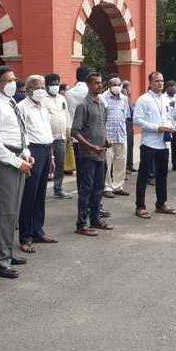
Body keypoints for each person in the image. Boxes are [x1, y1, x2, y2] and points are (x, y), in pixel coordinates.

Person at [0, 66, 33, 278]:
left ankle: (7, 252)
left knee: (14, 209)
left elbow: (20, 131)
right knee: (6, 210)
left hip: (17, 158)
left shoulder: (10, 102)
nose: (12, 83)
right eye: (7, 80)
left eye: (14, 79)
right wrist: (14, 161)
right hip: (5, 162)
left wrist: (26, 152)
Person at [17, 75, 58, 252]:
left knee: (41, 194)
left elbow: (47, 132)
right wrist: (25, 155)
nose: (41, 89)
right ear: (28, 90)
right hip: (31, 152)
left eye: (43, 86)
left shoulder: (43, 106)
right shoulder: (21, 108)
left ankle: (38, 230)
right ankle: (26, 236)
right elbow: (20, 134)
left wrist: (52, 157)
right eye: (36, 86)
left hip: (45, 149)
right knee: (29, 195)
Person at [133, 71, 176, 219]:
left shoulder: (166, 100)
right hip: (149, 143)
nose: (160, 84)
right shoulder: (143, 99)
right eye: (157, 81)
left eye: (162, 81)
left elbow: (171, 116)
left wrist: (171, 126)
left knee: (162, 175)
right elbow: (137, 120)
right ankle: (140, 206)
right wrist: (156, 127)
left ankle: (161, 203)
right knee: (144, 175)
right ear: (150, 83)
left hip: (163, 144)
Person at [71, 71, 109, 236]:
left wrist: (105, 141)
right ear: (88, 85)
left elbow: (101, 127)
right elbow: (75, 131)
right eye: (96, 83)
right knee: (86, 188)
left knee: (99, 188)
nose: (99, 85)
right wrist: (91, 146)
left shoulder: (101, 104)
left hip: (101, 153)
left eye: (101, 83)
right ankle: (81, 224)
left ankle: (95, 219)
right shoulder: (83, 105)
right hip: (88, 155)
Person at [43, 73, 72, 199]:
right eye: (52, 84)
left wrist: (68, 131)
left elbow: (66, 115)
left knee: (60, 163)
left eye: (56, 84)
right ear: (46, 86)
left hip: (61, 137)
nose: (54, 86)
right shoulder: (42, 100)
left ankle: (58, 188)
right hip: (46, 138)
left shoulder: (62, 99)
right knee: (46, 164)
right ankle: (41, 190)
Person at [101, 76, 130, 198]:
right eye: (114, 84)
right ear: (109, 86)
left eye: (119, 84)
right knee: (107, 162)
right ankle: (107, 187)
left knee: (121, 161)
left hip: (121, 134)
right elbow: (101, 117)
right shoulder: (103, 98)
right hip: (108, 136)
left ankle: (118, 186)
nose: (117, 87)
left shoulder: (124, 98)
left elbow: (126, 115)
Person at [165, 80, 176, 170]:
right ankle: (164, 164)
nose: (173, 90)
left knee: (175, 146)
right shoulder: (163, 97)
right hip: (166, 125)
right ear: (167, 88)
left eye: (174, 88)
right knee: (165, 146)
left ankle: (175, 164)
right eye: (171, 88)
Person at [122, 80, 136, 172]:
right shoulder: (124, 97)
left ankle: (130, 165)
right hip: (126, 123)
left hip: (130, 123)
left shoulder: (129, 98)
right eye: (129, 87)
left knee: (131, 144)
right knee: (127, 144)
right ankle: (126, 166)